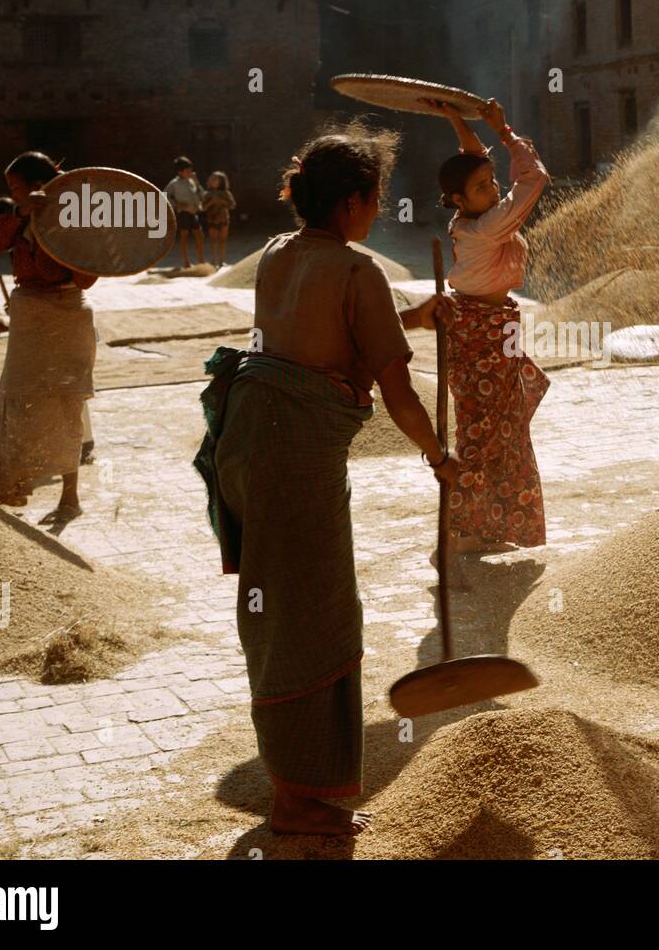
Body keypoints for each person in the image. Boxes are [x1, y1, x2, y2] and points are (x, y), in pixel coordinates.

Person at [194, 125, 460, 837]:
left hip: (246, 448)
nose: (378, 211)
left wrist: (415, 316)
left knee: (277, 616)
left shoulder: (280, 254)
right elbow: (398, 390)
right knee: (317, 623)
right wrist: (438, 455)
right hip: (294, 466)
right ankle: (299, 798)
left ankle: (297, 785)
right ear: (351, 204)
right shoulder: (359, 271)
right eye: (376, 199)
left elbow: (320, 337)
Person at [428, 98, 550, 563]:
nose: (494, 187)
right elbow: (534, 179)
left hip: (494, 327)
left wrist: (458, 121)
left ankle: (480, 527)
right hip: (482, 331)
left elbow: (475, 165)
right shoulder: (487, 229)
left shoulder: (475, 217)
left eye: (493, 182)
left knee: (505, 428)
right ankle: (456, 532)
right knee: (483, 434)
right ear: (459, 200)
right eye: (482, 187)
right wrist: (505, 132)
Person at [0, 153, 98, 522]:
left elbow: (87, 276)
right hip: (30, 313)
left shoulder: (72, 216)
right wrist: (20, 214)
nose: (12, 194)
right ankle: (12, 485)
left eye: (16, 188)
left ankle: (70, 497)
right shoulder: (17, 217)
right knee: (16, 395)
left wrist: (61, 245)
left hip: (68, 313)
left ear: (36, 185)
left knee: (66, 401)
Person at [165, 156, 206, 268]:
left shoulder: (192, 181)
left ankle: (201, 260)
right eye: (187, 171)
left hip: (193, 212)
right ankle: (186, 261)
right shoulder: (174, 183)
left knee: (200, 236)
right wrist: (176, 204)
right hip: (183, 213)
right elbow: (165, 195)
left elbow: (202, 195)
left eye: (190, 170)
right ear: (180, 172)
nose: (190, 173)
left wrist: (197, 184)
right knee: (184, 237)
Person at [201, 170, 236, 268]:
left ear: (221, 181)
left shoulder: (226, 193)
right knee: (213, 240)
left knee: (223, 240)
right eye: (211, 179)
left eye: (215, 179)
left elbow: (232, 205)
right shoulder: (207, 194)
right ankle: (213, 260)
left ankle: (221, 261)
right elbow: (202, 208)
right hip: (212, 219)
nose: (213, 181)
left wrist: (223, 202)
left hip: (224, 219)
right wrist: (211, 203)